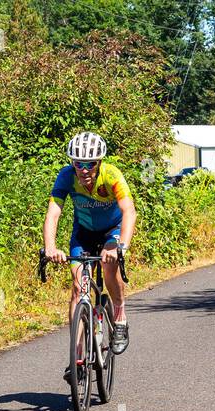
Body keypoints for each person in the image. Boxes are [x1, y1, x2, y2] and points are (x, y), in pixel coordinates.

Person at [42, 131, 137, 358]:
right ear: (72, 163)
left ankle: (120, 315)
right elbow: (53, 214)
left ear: (99, 162)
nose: (84, 170)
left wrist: (121, 246)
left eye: (90, 164)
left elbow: (129, 211)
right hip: (83, 234)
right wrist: (50, 248)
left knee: (108, 266)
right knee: (78, 288)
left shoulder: (112, 175)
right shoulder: (66, 177)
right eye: (79, 163)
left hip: (111, 232)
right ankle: (76, 358)